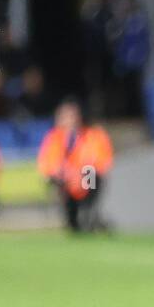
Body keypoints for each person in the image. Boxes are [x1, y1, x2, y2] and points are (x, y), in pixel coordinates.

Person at [37, 100, 113, 233]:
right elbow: (48, 163)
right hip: (66, 181)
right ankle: (73, 218)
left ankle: (88, 213)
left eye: (70, 116)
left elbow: (101, 161)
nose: (66, 120)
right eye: (63, 116)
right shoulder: (54, 138)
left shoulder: (93, 135)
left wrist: (79, 173)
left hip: (86, 179)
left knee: (91, 176)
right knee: (57, 182)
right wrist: (65, 173)